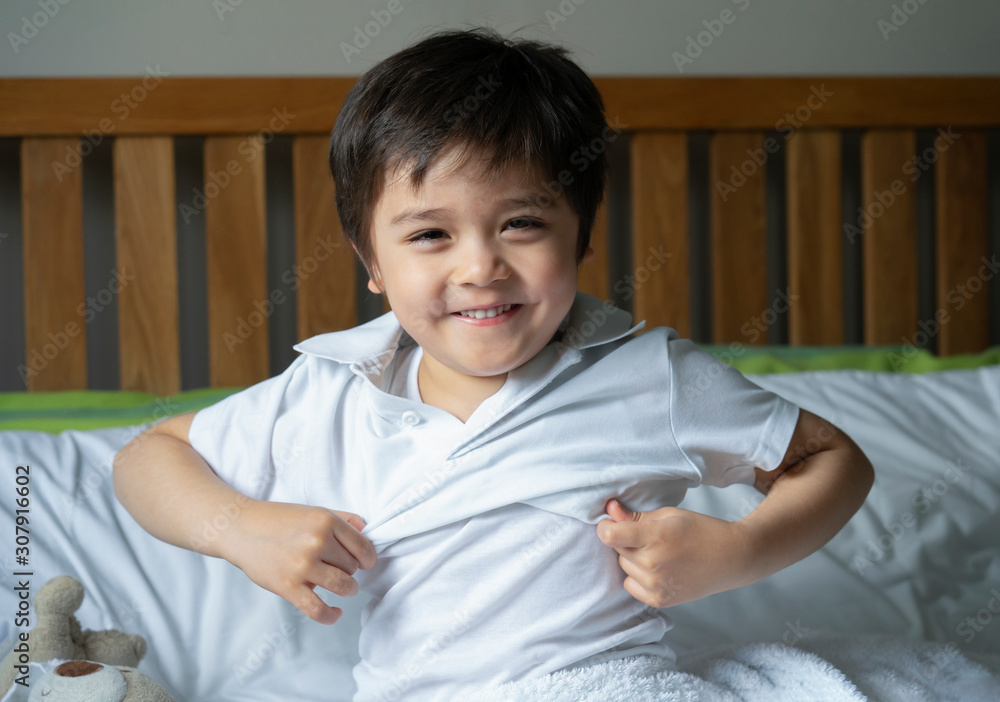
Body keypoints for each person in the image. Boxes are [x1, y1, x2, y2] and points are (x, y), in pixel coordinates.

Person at [113, 27, 874, 701]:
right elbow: (151, 456)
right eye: (430, 236)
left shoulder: (651, 377)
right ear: (370, 261)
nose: (480, 267)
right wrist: (242, 528)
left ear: (578, 235)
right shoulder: (333, 390)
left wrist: (736, 552)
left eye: (522, 224)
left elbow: (834, 458)